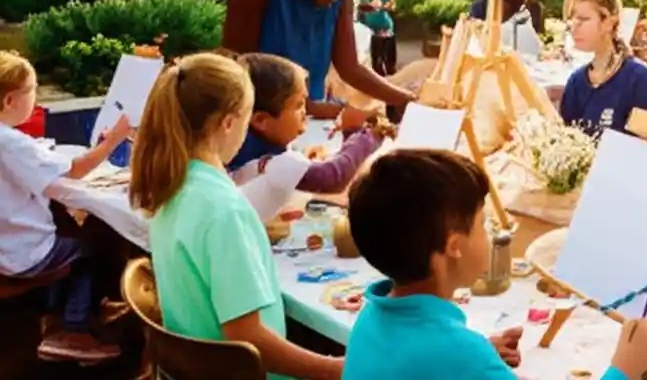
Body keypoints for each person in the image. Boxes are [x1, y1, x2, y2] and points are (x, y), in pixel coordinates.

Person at [342, 149, 647, 379]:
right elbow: (445, 358)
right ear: (454, 246)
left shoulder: (370, 319)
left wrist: (481, 358)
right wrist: (626, 367)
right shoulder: (460, 355)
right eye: (481, 223)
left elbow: (420, 362)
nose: (488, 232)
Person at [131, 54, 343, 380]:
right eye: (246, 117)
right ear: (228, 123)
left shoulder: (173, 185)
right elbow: (247, 336)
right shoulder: (224, 209)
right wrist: (332, 369)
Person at [0, 51, 131, 362]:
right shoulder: (9, 142)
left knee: (69, 226)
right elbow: (75, 169)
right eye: (32, 90)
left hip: (7, 244)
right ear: (9, 100)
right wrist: (112, 141)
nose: (35, 97)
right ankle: (74, 330)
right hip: (19, 251)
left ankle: (62, 312)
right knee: (92, 250)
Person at [221, 0, 415, 119]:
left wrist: (404, 99)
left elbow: (351, 68)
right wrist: (310, 108)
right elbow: (236, 69)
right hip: (257, 119)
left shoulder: (341, 0)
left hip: (307, 121)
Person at [226, 54, 384, 194]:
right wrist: (367, 137)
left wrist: (350, 133)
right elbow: (333, 177)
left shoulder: (247, 145)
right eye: (298, 105)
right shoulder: (263, 161)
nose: (305, 112)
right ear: (261, 120)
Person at [560, 0, 647, 137]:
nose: (574, 26)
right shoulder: (576, 82)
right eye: (572, 19)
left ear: (608, 23)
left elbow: (644, 144)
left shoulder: (640, 80)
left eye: (583, 19)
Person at [355, 0, 398, 77]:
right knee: (377, 64)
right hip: (371, 26)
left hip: (383, 25)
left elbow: (392, 5)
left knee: (387, 64)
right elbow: (360, 3)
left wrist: (382, 6)